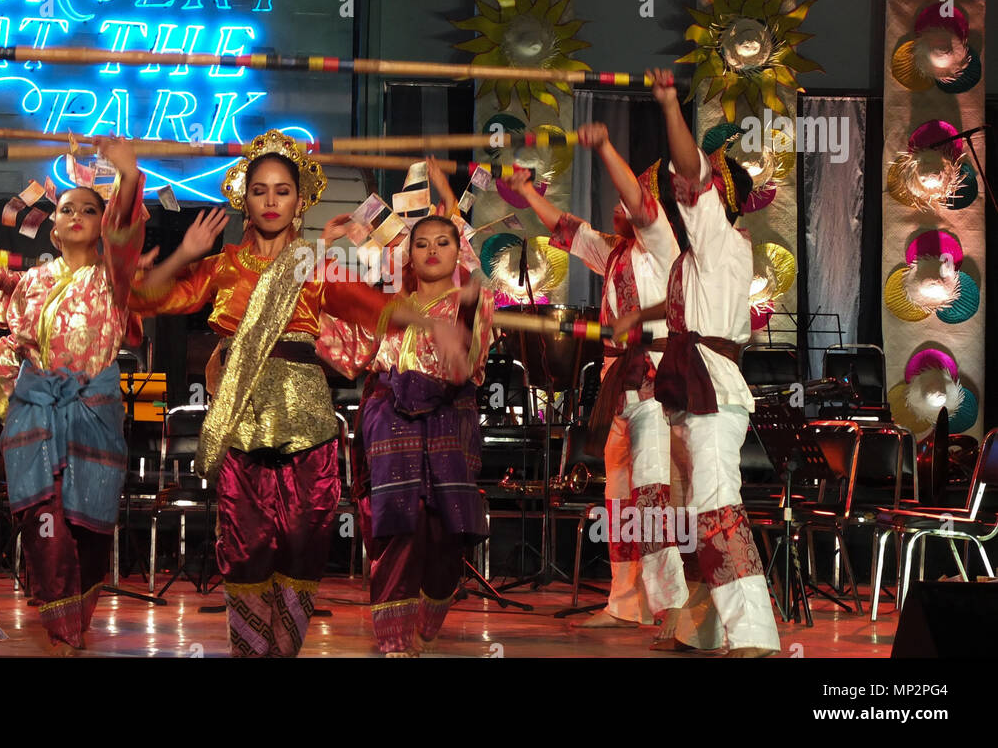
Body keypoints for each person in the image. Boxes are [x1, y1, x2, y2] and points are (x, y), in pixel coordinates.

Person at [126, 131, 470, 657]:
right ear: (245, 197)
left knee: (305, 541)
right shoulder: (225, 265)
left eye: (282, 191)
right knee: (244, 546)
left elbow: (369, 306)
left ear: (298, 200)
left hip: (308, 423)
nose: (270, 201)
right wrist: (185, 254)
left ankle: (285, 649)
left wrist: (427, 319)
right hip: (242, 421)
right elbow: (145, 298)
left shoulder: (313, 265)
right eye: (260, 190)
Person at [0, 138, 147, 653]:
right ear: (53, 224)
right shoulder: (33, 281)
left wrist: (127, 178)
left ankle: (75, 615)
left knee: (89, 525)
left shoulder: (114, 278)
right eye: (68, 209)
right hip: (36, 414)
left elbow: (127, 236)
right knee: (44, 519)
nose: (79, 215)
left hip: (94, 415)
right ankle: (60, 625)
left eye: (91, 208)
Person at [507, 115, 720, 650]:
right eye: (620, 202)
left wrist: (603, 147)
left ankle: (672, 608)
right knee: (620, 496)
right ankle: (626, 605)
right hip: (616, 381)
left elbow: (642, 202)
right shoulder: (615, 252)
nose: (621, 207)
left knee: (651, 497)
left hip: (653, 379)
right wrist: (529, 192)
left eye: (631, 201)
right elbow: (565, 228)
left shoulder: (664, 247)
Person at [318, 202, 494, 657]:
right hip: (389, 416)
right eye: (422, 243)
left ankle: (431, 611)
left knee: (444, 533)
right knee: (399, 523)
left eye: (443, 242)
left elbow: (465, 365)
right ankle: (393, 636)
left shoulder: (473, 298)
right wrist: (322, 251)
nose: (432, 250)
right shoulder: (390, 305)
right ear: (409, 256)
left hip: (449, 421)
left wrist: (464, 324)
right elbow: (347, 342)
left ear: (459, 252)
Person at [648, 68, 780, 657]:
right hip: (688, 390)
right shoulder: (694, 254)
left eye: (681, 186)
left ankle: (754, 633)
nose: (674, 193)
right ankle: (700, 627)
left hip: (713, 390)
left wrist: (671, 105)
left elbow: (691, 170)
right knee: (695, 509)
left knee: (716, 504)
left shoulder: (721, 235)